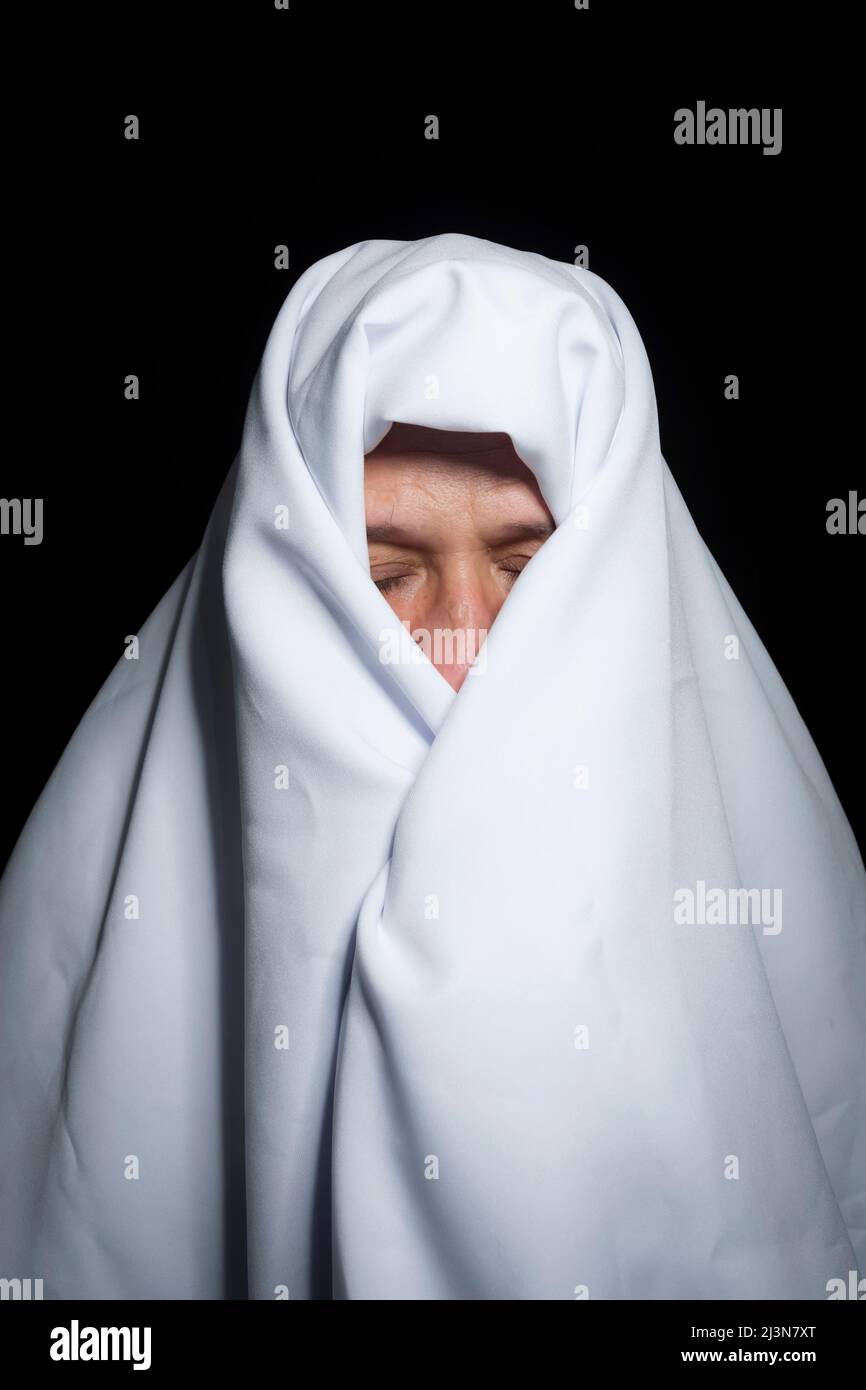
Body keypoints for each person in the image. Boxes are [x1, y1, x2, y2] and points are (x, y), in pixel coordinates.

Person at [0, 232, 863, 1301]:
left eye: (526, 566)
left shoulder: (780, 898)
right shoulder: (88, 912)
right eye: (386, 572)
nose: (462, 637)